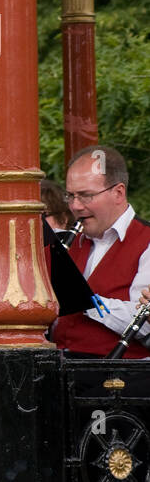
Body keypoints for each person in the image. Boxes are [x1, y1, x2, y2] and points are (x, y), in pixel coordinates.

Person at [53, 145, 150, 362]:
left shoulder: (147, 241)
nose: (76, 206)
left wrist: (86, 301)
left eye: (86, 196)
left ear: (118, 193)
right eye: (70, 196)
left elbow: (143, 322)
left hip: (119, 375)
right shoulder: (67, 242)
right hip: (61, 365)